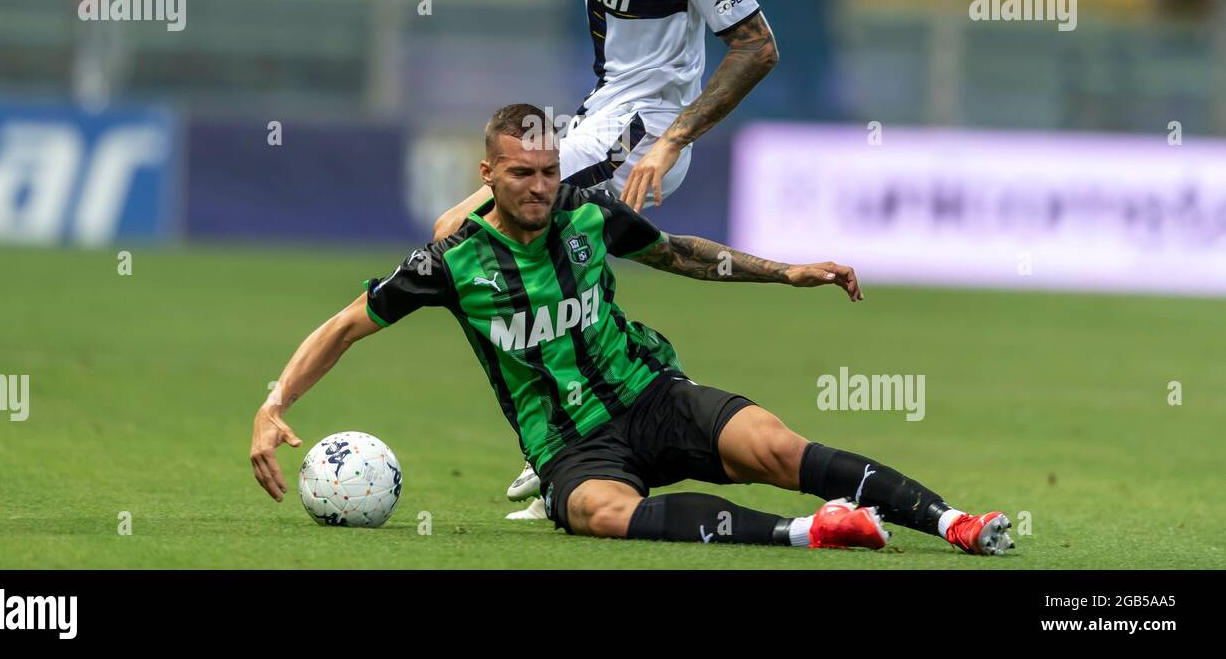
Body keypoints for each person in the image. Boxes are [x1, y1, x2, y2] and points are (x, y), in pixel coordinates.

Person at [249, 104, 1013, 555]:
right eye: (522, 173)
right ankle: (811, 533)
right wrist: (276, 400)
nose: (541, 186)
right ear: (488, 174)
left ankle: (955, 523)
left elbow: (679, 254)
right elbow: (347, 326)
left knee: (776, 445)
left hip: (650, 394)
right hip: (570, 446)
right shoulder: (451, 262)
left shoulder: (588, 214)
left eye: (548, 171)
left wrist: (785, 272)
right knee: (596, 514)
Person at [323, 0, 780, 509]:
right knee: (556, 262)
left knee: (456, 228)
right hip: (597, 117)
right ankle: (623, 412)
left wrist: (671, 139)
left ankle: (568, 439)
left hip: (640, 133)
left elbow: (758, 46)